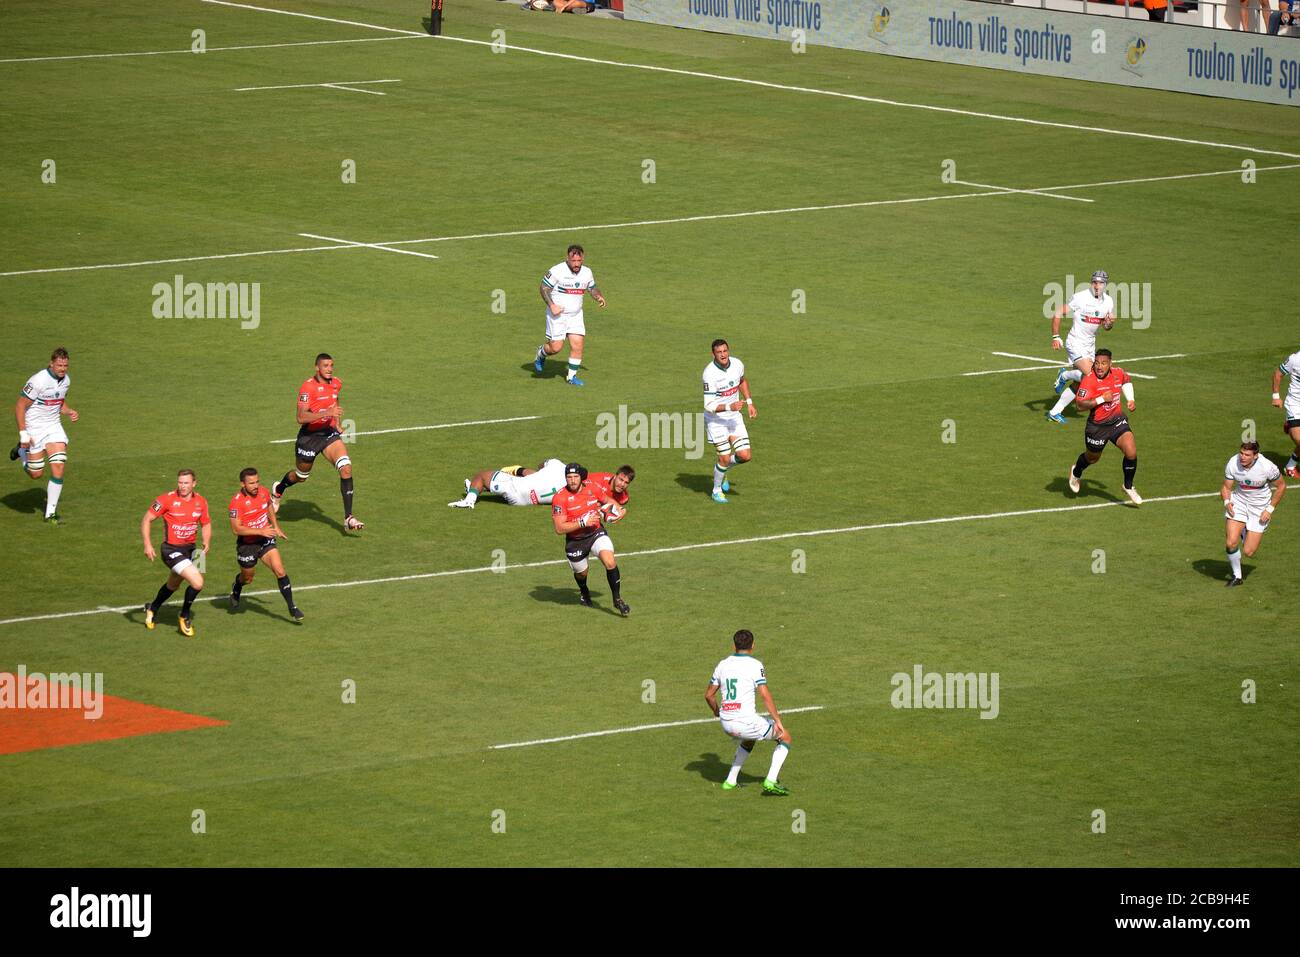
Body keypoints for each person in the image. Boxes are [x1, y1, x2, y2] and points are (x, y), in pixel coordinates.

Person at [271, 354, 364, 531]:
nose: (330, 369)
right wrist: (326, 413)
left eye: (331, 365)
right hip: (309, 438)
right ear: (317, 367)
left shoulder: (336, 383)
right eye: (326, 366)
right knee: (301, 476)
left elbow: (335, 399)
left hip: (328, 434)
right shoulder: (308, 388)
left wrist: (336, 423)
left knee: (346, 468)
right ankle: (279, 489)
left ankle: (348, 517)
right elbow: (300, 417)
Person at [705, 629, 792, 796]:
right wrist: (777, 720)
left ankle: (730, 781)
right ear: (753, 645)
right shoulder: (755, 665)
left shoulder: (722, 664)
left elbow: (709, 695)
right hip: (746, 722)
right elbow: (765, 695)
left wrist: (718, 712)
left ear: (734, 645)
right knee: (785, 737)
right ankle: (771, 781)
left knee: (749, 739)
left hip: (726, 724)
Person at [10, 347, 79, 523]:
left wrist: (68, 411)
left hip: (53, 426)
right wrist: (23, 433)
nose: (63, 369)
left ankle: (50, 513)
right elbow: (19, 406)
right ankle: (21, 452)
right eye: (59, 365)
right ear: (51, 363)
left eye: (65, 365)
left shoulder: (66, 381)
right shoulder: (38, 380)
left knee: (59, 465)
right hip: (34, 427)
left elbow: (59, 401)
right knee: (36, 474)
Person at [550, 463, 629, 615]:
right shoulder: (560, 498)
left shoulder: (592, 488)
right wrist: (582, 522)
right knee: (581, 573)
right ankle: (584, 591)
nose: (572, 480)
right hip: (575, 540)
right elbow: (559, 528)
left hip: (595, 532)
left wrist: (620, 510)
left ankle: (617, 599)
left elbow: (607, 500)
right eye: (569, 477)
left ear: (581, 478)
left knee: (610, 561)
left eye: (575, 477)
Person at [1065, 349, 1142, 505]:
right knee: (1092, 458)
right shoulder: (1089, 380)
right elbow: (1079, 406)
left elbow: (1126, 380)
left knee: (1131, 452)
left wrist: (1131, 399)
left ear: (1110, 364)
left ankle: (1128, 486)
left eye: (1103, 363)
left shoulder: (1118, 373)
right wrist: (1101, 399)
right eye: (1097, 363)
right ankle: (1076, 471)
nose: (1099, 367)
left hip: (1116, 420)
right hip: (1097, 427)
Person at [141, 468, 212, 637]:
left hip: (194, 549)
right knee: (197, 582)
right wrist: (147, 545)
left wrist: (206, 541)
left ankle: (153, 608)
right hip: (171, 549)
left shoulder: (201, 501)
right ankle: (184, 616)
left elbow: (206, 524)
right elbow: (147, 519)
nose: (182, 486)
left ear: (194, 484)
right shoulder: (166, 499)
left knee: (173, 585)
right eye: (180, 482)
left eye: (186, 483)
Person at [230, 467, 303, 621]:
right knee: (247, 579)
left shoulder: (263, 492)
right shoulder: (236, 503)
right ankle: (237, 587)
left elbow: (269, 506)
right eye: (251, 483)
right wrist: (260, 531)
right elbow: (236, 529)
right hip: (247, 545)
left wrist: (275, 526)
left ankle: (292, 607)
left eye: (257, 481)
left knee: (280, 571)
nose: (255, 485)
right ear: (243, 484)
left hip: (265, 540)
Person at [1046, 271, 1116, 424]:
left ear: (1105, 285)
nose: (1097, 286)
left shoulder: (1109, 302)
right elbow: (1058, 312)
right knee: (1093, 374)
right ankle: (1064, 376)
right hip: (1075, 343)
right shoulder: (1080, 297)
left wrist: (1109, 323)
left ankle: (1054, 412)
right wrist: (1056, 336)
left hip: (1090, 345)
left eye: (1100, 283)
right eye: (1094, 282)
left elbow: (1106, 326)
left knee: (1082, 383)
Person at [531, 245, 606, 386]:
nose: (576, 264)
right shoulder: (557, 271)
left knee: (578, 345)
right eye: (573, 261)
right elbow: (544, 287)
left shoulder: (587, 272)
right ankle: (541, 353)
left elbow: (592, 287)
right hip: (557, 315)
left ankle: (571, 377)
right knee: (555, 348)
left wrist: (598, 296)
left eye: (579, 260)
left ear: (583, 258)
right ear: (567, 258)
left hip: (576, 315)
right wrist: (552, 305)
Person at [1221, 441, 1285, 587]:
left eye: (1247, 455)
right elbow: (1226, 487)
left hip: (1259, 507)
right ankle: (1237, 577)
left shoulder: (1267, 467)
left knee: (1249, 551)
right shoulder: (1233, 462)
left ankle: (1245, 530)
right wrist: (1227, 501)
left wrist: (1269, 510)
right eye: (1241, 453)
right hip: (1239, 502)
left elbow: (1281, 486)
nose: (1242, 457)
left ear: (1255, 456)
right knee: (1231, 542)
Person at [703, 339, 757, 504]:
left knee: (745, 455)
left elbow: (742, 381)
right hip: (716, 421)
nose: (723, 355)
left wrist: (749, 403)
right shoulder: (709, 374)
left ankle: (722, 469)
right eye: (719, 352)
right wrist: (730, 405)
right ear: (713, 354)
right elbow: (709, 405)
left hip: (734, 418)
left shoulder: (737, 364)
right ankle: (716, 490)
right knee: (724, 458)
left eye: (725, 351)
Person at [1272, 347, 1300, 478]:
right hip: (1295, 404)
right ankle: (1291, 425)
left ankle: (1290, 466)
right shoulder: (1295, 359)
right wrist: (1276, 396)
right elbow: (1278, 373)